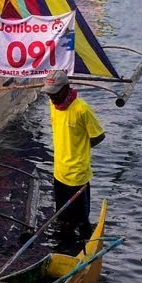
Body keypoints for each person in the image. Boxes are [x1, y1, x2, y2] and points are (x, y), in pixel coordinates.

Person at [43, 70, 104, 241]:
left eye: (54, 93)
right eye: (49, 94)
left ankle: (85, 247)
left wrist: (80, 149)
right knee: (63, 217)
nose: (52, 98)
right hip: (59, 170)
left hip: (77, 174)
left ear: (66, 89)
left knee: (81, 220)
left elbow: (98, 136)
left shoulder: (81, 109)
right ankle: (64, 243)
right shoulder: (53, 104)